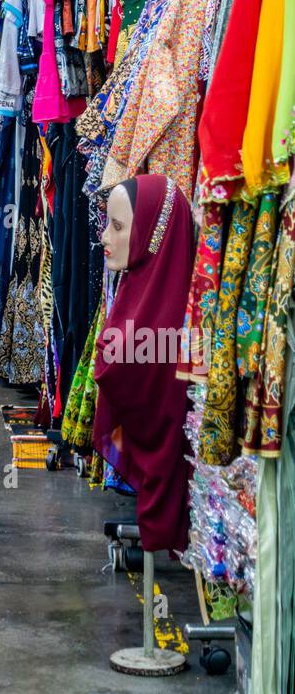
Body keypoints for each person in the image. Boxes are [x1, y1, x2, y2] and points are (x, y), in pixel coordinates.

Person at [95, 175, 193, 554]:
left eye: (117, 227)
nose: (104, 237)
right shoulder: (137, 294)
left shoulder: (169, 332)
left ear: (154, 236)